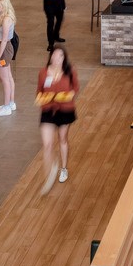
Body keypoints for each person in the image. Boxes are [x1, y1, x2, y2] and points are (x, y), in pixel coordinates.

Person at [36, 46, 79, 193]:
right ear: (51, 57)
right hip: (48, 110)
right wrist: (41, 99)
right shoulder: (43, 72)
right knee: (47, 144)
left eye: (60, 56)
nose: (57, 58)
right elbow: (39, 92)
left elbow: (75, 89)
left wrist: (66, 96)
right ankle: (48, 176)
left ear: (64, 58)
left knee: (62, 140)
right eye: (54, 55)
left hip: (65, 110)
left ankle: (64, 168)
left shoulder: (70, 71)